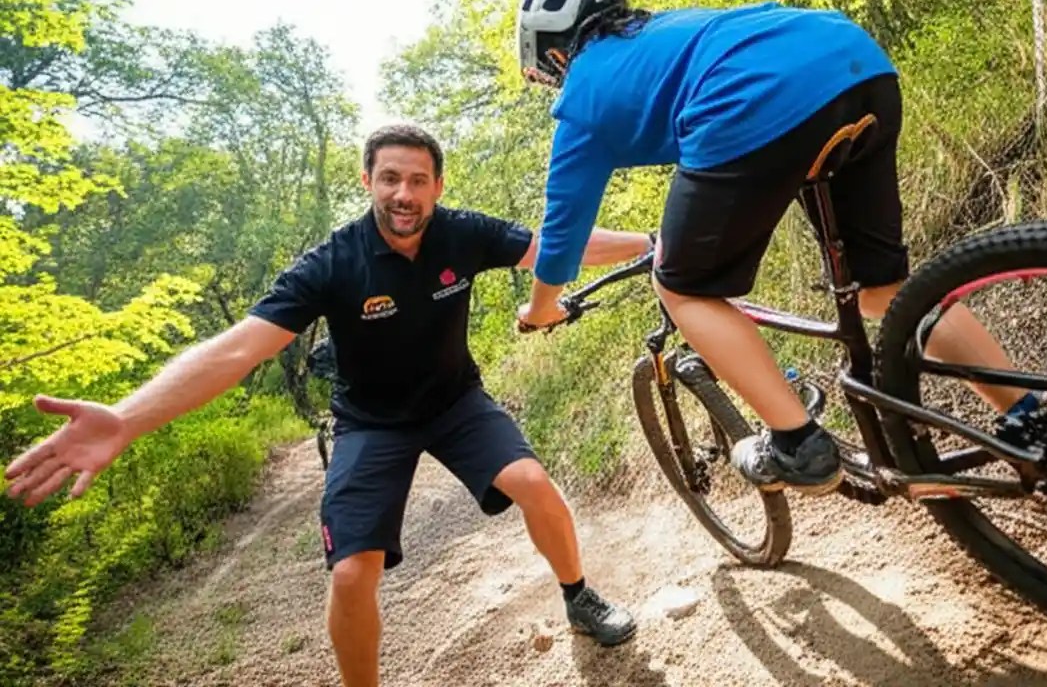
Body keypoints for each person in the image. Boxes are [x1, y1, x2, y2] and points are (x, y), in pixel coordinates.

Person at [5, 124, 649, 686]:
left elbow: (556, 244)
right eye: (390, 178)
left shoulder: (463, 234)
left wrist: (647, 241)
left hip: (457, 403)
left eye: (418, 180)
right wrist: (126, 417)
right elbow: (237, 351)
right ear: (368, 180)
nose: (404, 193)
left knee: (533, 483)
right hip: (370, 423)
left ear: (438, 187)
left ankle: (578, 597)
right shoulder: (332, 264)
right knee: (350, 573)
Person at [512, 0, 1040, 495]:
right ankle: (1034, 419)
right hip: (858, 65)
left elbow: (559, 240)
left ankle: (798, 444)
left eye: (549, 74)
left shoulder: (581, 94)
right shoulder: (675, 30)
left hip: (750, 105)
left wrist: (540, 311)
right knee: (882, 292)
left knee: (679, 286)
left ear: (557, 58)